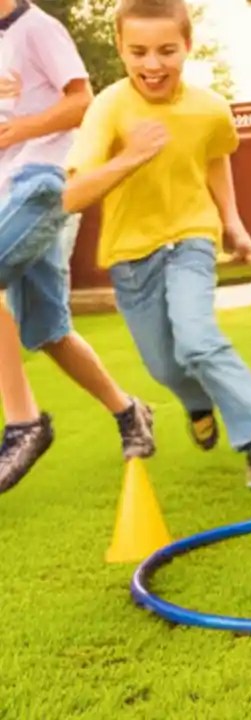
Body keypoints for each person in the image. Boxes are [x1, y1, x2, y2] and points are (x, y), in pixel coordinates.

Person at [62, 0, 251, 490]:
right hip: (130, 254)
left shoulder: (210, 107)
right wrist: (131, 157)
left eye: (167, 50)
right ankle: (196, 403)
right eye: (138, 51)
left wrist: (232, 221)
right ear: (120, 49)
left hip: (191, 237)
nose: (152, 64)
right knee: (164, 365)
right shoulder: (109, 107)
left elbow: (214, 157)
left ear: (188, 46)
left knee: (197, 335)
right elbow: (73, 194)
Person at [0, 0, 155, 496]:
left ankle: (23, 423)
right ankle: (129, 411)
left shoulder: (38, 28)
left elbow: (81, 100)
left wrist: (20, 128)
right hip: (9, 189)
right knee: (48, 331)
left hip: (45, 179)